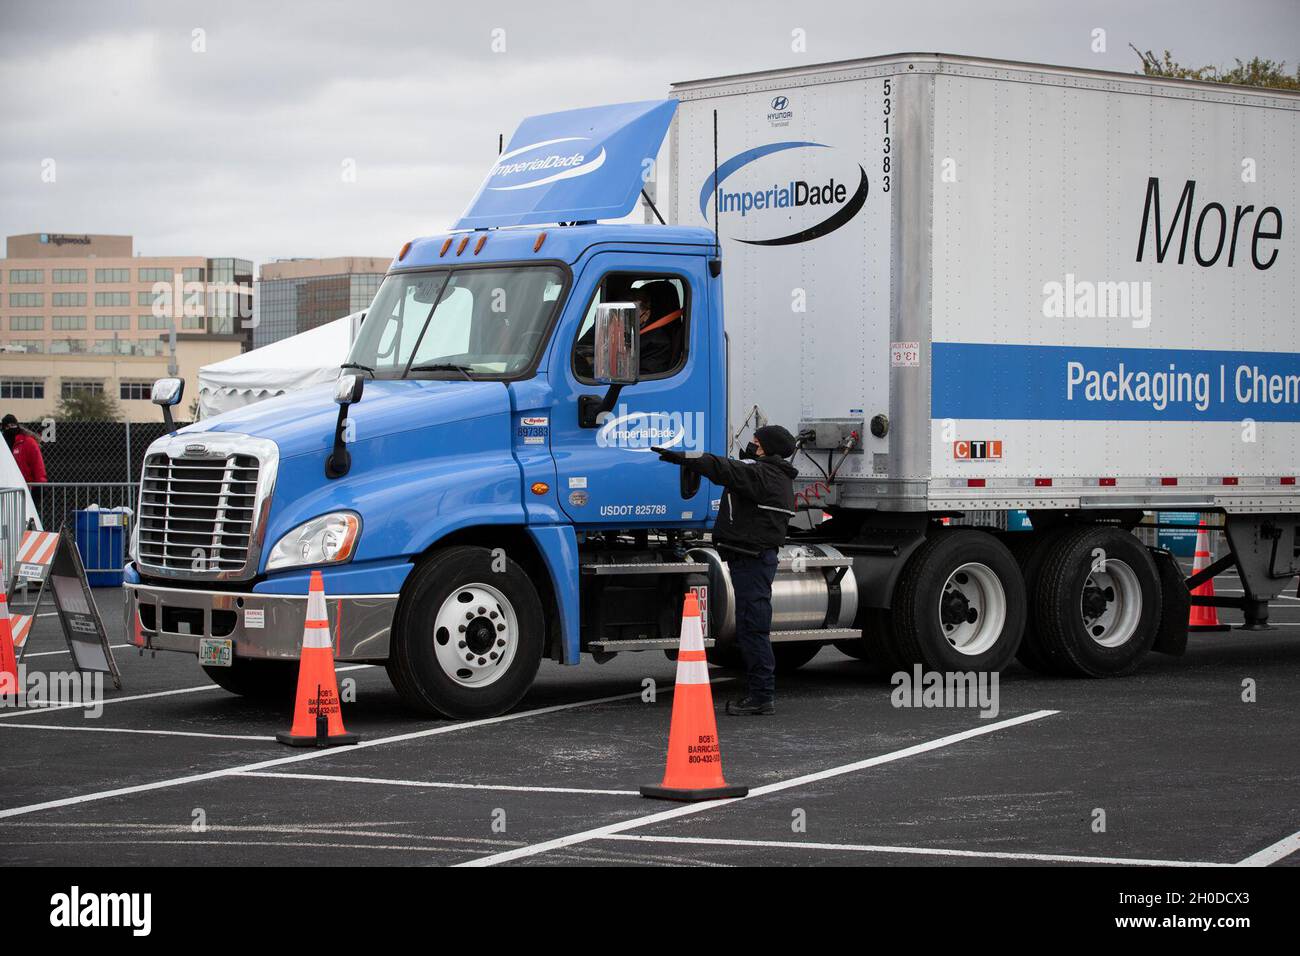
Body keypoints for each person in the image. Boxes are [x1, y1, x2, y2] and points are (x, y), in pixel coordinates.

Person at [654, 424, 798, 715]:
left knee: (752, 627)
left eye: (756, 444)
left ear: (768, 449)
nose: (751, 447)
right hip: (752, 559)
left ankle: (761, 697)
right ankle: (760, 693)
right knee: (751, 626)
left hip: (752, 560)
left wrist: (687, 457)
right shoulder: (771, 474)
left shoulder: (762, 475)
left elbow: (724, 468)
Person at [631, 281, 684, 376]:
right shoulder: (624, 330)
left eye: (632, 315)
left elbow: (644, 378)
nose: (625, 320)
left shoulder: (658, 342)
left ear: (646, 315)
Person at [2, 414, 46, 484]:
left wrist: (41, 485)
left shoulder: (28, 442)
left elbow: (38, 466)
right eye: (7, 426)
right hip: (6, 485)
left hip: (26, 486)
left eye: (13, 425)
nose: (10, 428)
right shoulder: (2, 444)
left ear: (17, 425)